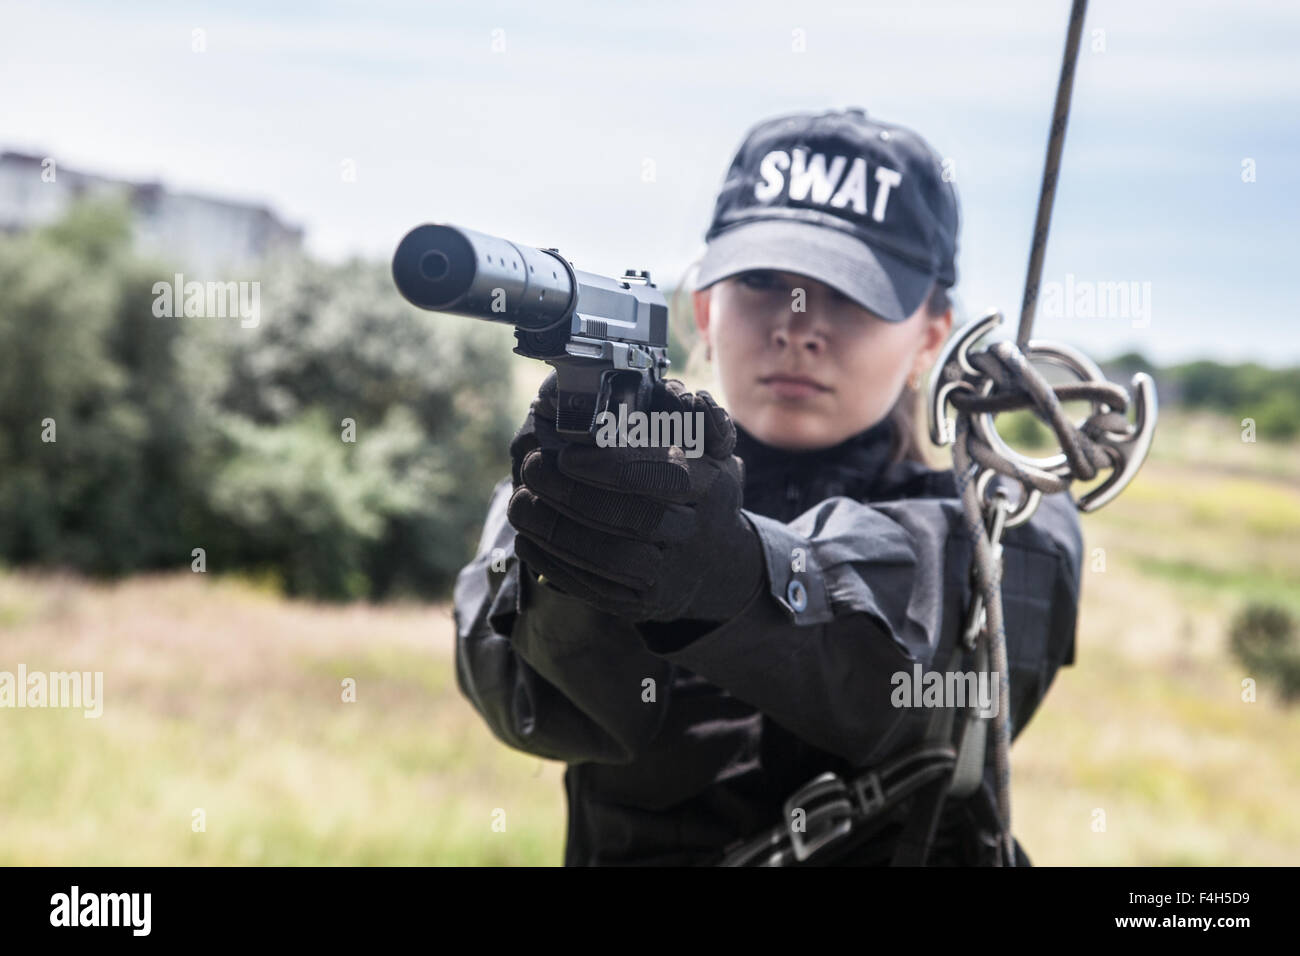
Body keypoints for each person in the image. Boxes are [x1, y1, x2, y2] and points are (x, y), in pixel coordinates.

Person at [452, 107, 1083, 866]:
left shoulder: (1003, 518)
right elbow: (532, 707)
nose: (797, 326)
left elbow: (936, 670)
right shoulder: (592, 469)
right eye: (761, 281)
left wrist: (738, 575)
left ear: (930, 333)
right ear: (705, 308)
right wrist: (574, 549)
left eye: (850, 294)